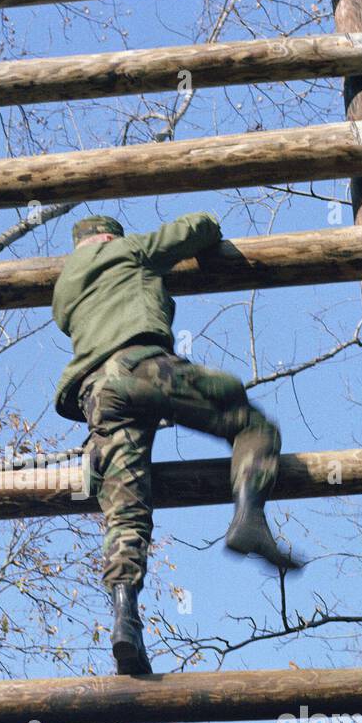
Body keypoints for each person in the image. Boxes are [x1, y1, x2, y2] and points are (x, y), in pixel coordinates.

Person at [52, 212, 303, 677]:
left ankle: (125, 618)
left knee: (125, 511)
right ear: (108, 237)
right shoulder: (128, 250)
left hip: (97, 396)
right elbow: (198, 227)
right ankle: (249, 516)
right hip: (144, 367)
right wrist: (207, 232)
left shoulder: (63, 291)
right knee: (251, 424)